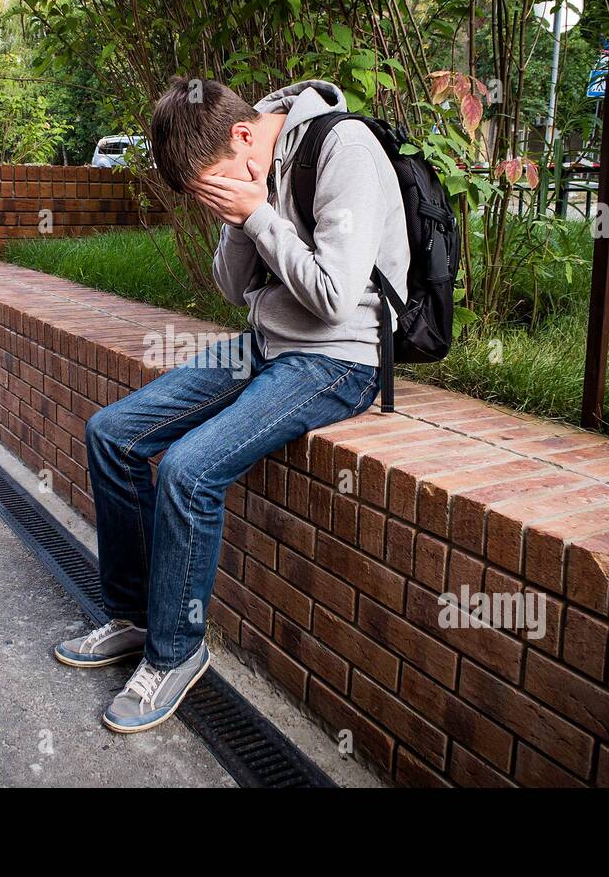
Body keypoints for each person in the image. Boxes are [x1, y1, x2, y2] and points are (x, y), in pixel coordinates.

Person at [54, 77, 409, 732]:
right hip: (267, 343)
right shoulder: (251, 164)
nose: (216, 199)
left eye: (214, 184)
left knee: (188, 470)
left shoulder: (345, 150)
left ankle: (177, 652)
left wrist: (256, 213)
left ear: (244, 136)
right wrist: (245, 214)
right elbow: (231, 286)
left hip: (344, 358)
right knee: (113, 433)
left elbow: (333, 299)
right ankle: (133, 617)